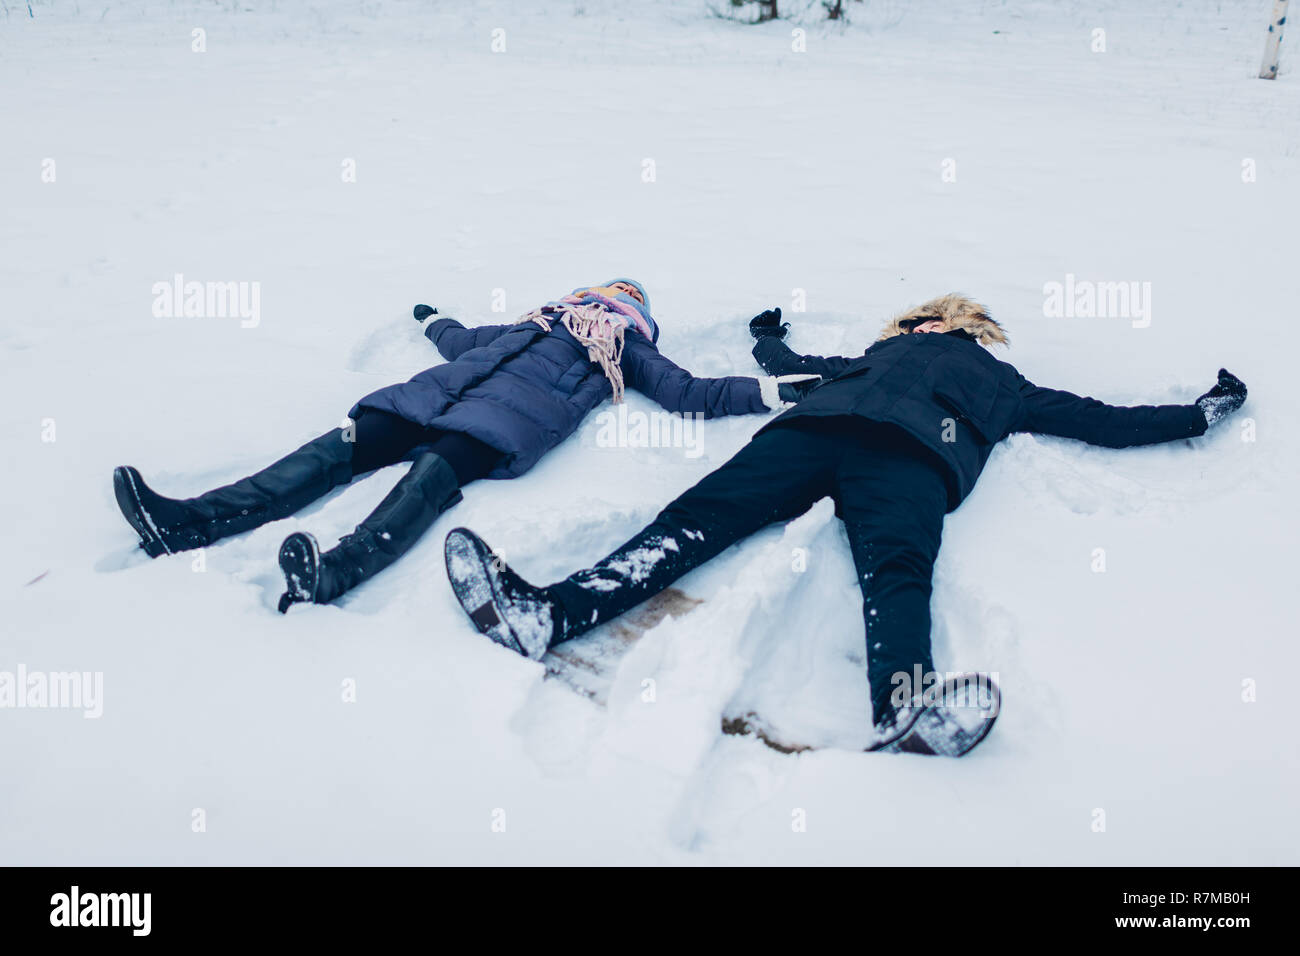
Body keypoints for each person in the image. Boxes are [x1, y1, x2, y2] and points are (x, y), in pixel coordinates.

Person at [443, 293, 1248, 748]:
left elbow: (1102, 417)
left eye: (948, 321)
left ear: (970, 331)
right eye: (923, 320)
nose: (931, 327)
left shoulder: (1004, 381)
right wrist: (768, 336)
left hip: (909, 460)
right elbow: (790, 368)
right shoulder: (870, 358)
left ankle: (903, 706)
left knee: (898, 568)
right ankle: (547, 613)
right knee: (691, 522)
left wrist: (1196, 416)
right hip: (809, 435)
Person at [113, 279, 810, 612]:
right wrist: (435, 318)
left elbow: (690, 393)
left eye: (615, 304)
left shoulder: (623, 349)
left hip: (500, 426)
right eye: (596, 297)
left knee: (426, 481)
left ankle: (332, 574)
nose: (599, 308)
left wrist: (773, 392)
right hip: (429, 396)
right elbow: (461, 340)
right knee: (336, 448)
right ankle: (188, 520)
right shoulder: (530, 323)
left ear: (628, 317)